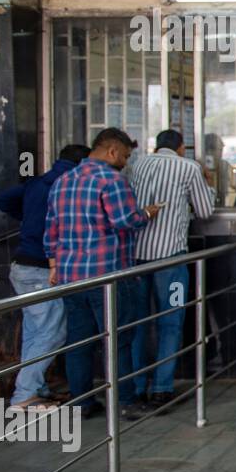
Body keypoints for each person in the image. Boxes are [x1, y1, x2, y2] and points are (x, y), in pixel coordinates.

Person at [44, 128, 161, 420]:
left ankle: (82, 402)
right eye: (125, 155)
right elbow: (125, 220)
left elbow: (52, 232)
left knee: (79, 342)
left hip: (71, 277)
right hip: (106, 276)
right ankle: (126, 401)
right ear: (111, 151)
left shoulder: (63, 180)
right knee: (118, 340)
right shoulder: (111, 180)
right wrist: (147, 213)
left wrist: (54, 267)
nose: (125, 161)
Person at [126, 129, 217, 412]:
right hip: (171, 260)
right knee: (171, 323)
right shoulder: (188, 168)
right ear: (180, 148)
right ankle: (162, 389)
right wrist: (209, 184)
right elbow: (205, 211)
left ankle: (137, 388)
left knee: (136, 326)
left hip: (134, 260)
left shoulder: (135, 164)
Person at [0, 144, 90, 408]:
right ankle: (24, 394)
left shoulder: (37, 182)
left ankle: (35, 387)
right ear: (82, 163)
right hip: (40, 267)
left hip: (21, 265)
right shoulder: (67, 186)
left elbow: (3, 199)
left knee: (35, 331)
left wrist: (27, 217)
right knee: (53, 331)